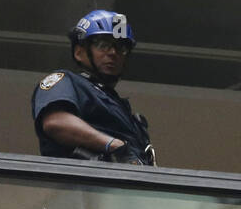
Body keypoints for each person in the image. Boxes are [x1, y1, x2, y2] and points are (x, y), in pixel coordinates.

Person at [32, 10, 155, 165]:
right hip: (82, 186)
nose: (113, 53)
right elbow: (56, 122)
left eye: (121, 48)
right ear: (79, 52)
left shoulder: (121, 109)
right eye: (103, 45)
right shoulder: (68, 82)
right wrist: (114, 145)